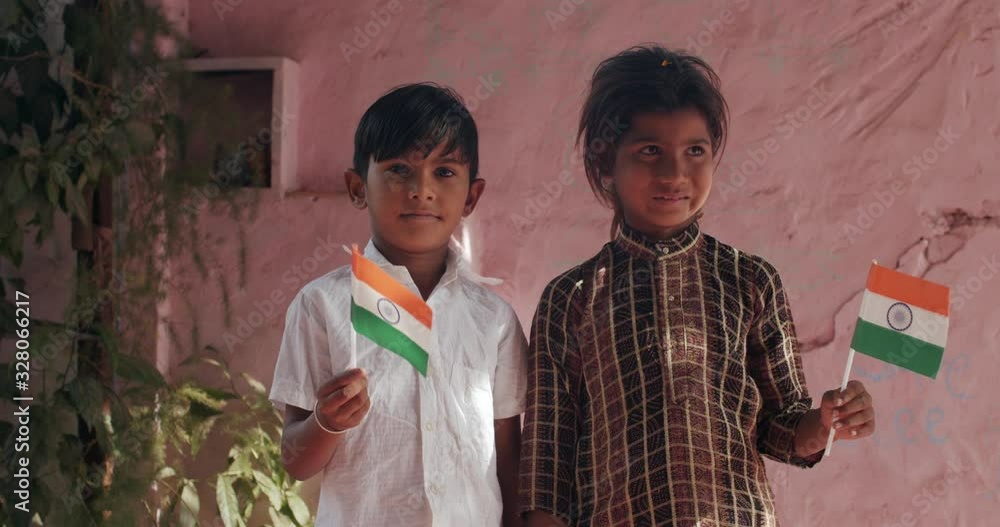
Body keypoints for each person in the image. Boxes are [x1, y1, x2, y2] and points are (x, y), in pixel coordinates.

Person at [519, 45, 877, 526]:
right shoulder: (572, 298)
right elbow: (548, 462)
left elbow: (781, 425)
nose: (674, 174)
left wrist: (827, 422)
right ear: (606, 164)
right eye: (650, 151)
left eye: (695, 151)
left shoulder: (751, 280)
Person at [270, 83, 527, 526]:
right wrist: (326, 423)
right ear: (357, 188)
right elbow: (295, 461)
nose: (420, 189)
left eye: (444, 172)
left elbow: (508, 463)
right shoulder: (323, 306)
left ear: (472, 196)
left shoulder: (494, 320)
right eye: (398, 170)